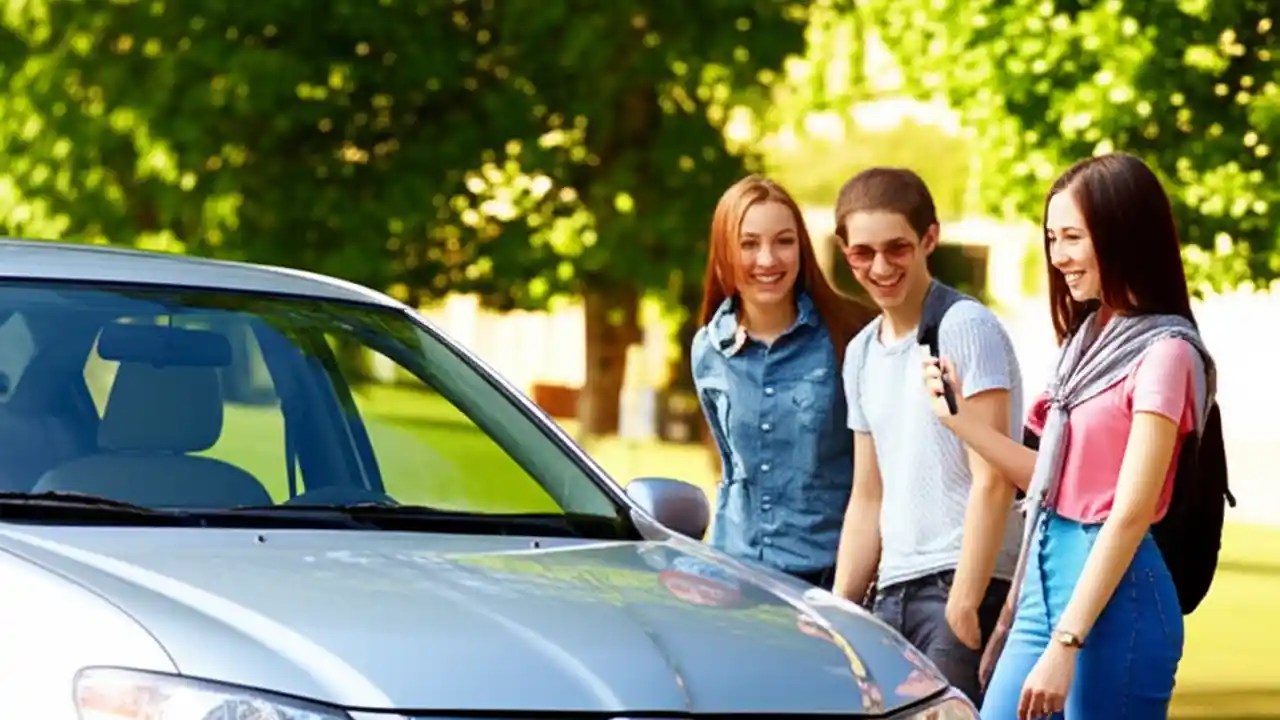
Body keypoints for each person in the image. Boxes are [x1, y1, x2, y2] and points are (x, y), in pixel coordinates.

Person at [921, 152, 1215, 719]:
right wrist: (959, 421)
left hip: (1116, 601)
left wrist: (1066, 644)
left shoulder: (1167, 354)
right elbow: (1053, 483)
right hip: (1045, 579)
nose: (1059, 258)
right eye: (1053, 238)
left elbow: (1126, 513)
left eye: (1073, 237)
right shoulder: (1085, 345)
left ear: (1121, 234)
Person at [829, 167, 1025, 706]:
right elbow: (868, 494)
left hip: (958, 588)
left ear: (929, 239)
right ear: (845, 252)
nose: (881, 266)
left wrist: (963, 604)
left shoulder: (963, 326)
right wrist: (840, 610)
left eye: (897, 248)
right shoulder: (862, 353)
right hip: (889, 598)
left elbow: (994, 478)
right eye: (863, 253)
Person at [691, 174, 873, 589]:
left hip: (830, 578)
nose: (768, 259)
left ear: (802, 248)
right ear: (724, 253)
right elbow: (731, 467)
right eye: (749, 243)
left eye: (784, 241)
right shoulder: (708, 348)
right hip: (734, 577)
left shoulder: (851, 336)